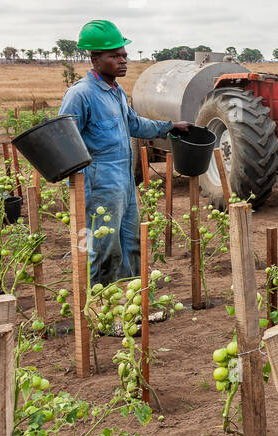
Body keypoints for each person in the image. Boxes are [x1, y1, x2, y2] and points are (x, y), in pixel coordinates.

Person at [59, 20, 191, 286]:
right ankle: (103, 310)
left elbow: (133, 123)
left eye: (124, 56)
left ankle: (132, 306)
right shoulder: (81, 94)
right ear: (95, 59)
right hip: (99, 182)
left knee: (131, 243)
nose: (123, 61)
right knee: (104, 247)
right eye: (115, 56)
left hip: (125, 180)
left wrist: (169, 127)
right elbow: (64, 138)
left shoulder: (116, 91)